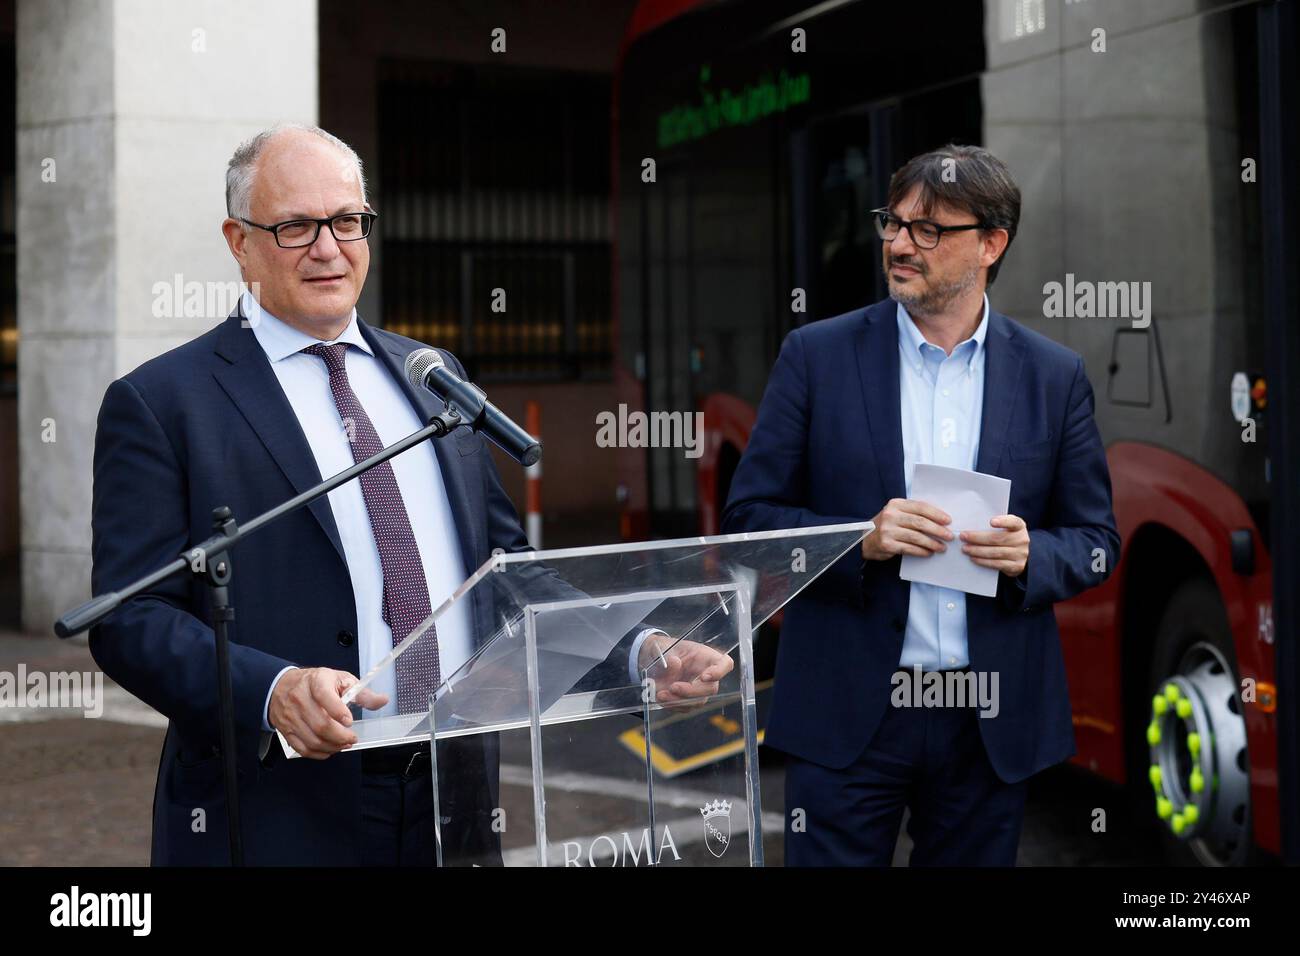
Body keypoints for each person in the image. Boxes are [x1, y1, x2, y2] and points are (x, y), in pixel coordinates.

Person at [89, 124, 731, 866]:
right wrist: (271, 691)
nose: (328, 247)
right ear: (239, 241)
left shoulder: (430, 374)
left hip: (449, 793)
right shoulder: (164, 402)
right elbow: (129, 617)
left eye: (347, 221)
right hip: (276, 809)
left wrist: (637, 650)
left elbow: (506, 572)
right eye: (296, 226)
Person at [722, 144, 1120, 866]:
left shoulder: (1055, 377)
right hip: (847, 715)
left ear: (991, 244)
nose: (900, 244)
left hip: (987, 719)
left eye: (929, 229)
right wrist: (859, 540)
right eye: (893, 223)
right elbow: (748, 521)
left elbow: (1096, 539)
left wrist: (1034, 556)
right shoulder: (816, 356)